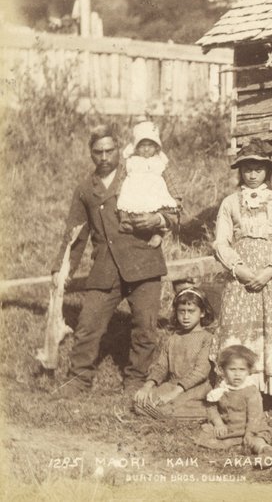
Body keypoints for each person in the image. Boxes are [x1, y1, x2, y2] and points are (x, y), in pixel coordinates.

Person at [51, 124, 180, 397]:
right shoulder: (86, 188)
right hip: (105, 265)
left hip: (143, 260)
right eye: (98, 152)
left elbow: (176, 209)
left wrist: (158, 219)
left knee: (145, 328)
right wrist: (62, 269)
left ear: (119, 150)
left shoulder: (140, 170)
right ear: (90, 154)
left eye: (110, 150)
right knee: (88, 325)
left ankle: (135, 381)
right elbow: (74, 233)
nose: (105, 157)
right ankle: (78, 380)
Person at [212, 138, 272, 397]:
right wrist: (240, 269)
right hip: (241, 276)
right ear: (240, 171)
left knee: (267, 325)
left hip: (269, 276)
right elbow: (221, 242)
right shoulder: (230, 202)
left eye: (258, 169)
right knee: (236, 324)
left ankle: (266, 393)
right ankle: (234, 387)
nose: (253, 174)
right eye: (247, 169)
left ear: (268, 171)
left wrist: (269, 270)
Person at [132, 284, 214, 420]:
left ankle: (193, 413)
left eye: (191, 311)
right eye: (181, 311)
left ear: (202, 313)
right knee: (140, 403)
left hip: (195, 389)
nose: (186, 316)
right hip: (172, 385)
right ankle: (165, 413)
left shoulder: (207, 338)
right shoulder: (173, 339)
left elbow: (200, 372)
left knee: (172, 405)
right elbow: (161, 367)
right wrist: (147, 386)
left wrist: (173, 394)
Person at [195, 345, 272, 462]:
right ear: (223, 370)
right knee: (207, 432)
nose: (237, 374)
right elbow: (211, 407)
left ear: (249, 371)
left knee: (256, 441)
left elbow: (255, 417)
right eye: (232, 369)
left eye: (242, 370)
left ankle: (266, 452)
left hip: (250, 427)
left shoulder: (251, 391)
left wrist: (250, 433)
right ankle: (236, 446)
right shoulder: (221, 388)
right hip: (229, 428)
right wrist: (218, 423)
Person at [116, 120, 179, 248]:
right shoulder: (130, 161)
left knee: (161, 208)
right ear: (136, 147)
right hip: (134, 194)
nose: (146, 149)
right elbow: (120, 179)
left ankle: (157, 233)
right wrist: (118, 193)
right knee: (126, 205)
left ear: (156, 147)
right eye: (142, 145)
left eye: (150, 145)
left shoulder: (160, 161)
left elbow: (171, 180)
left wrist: (177, 197)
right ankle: (127, 223)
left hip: (154, 195)